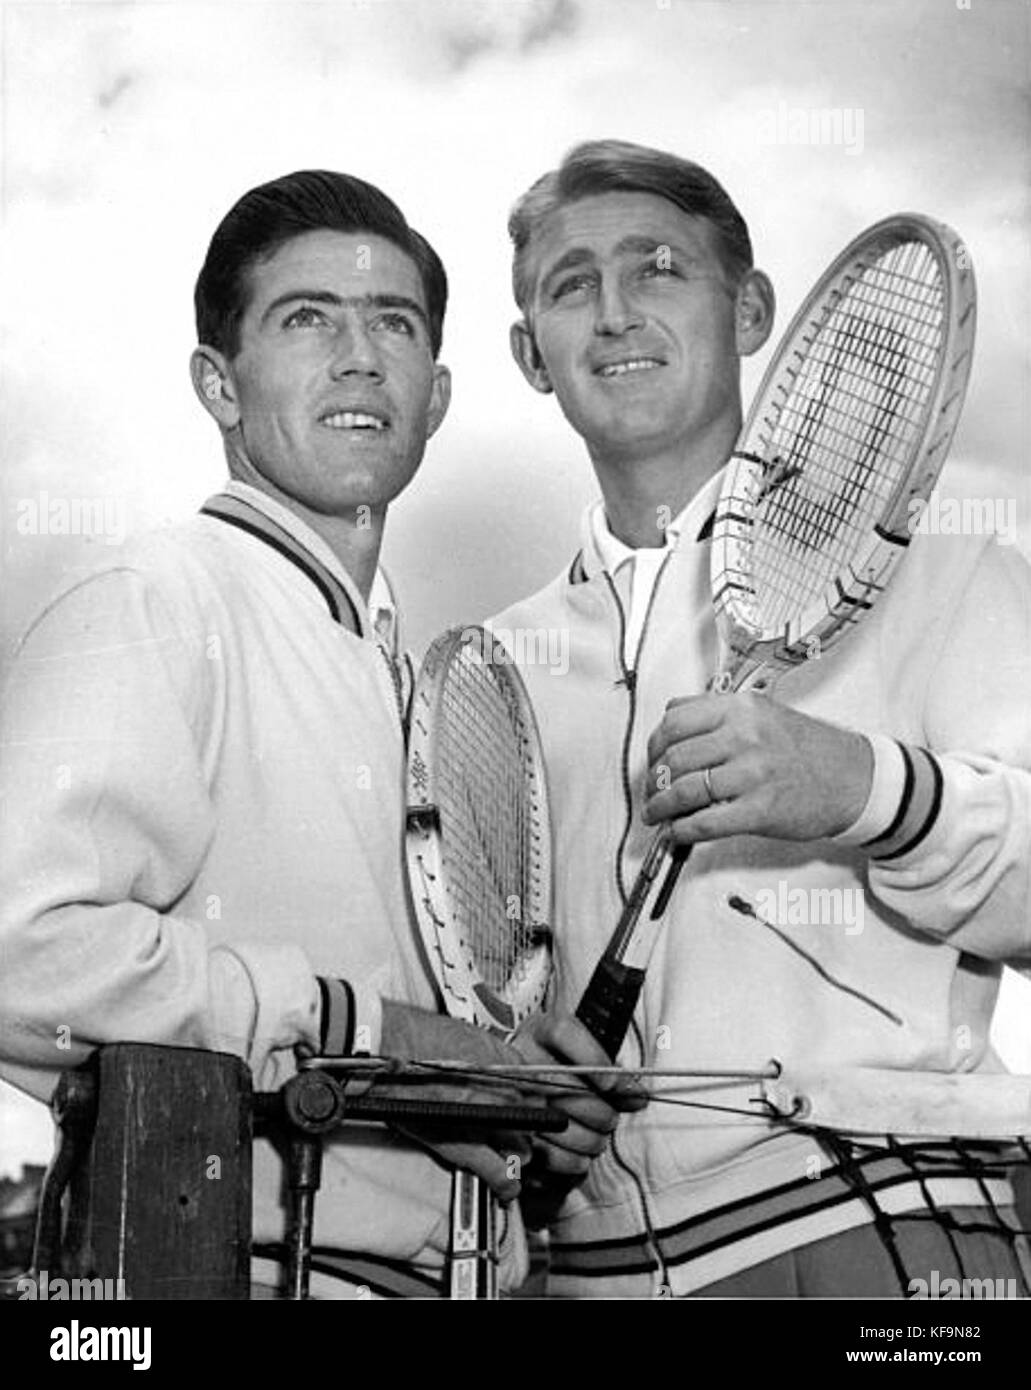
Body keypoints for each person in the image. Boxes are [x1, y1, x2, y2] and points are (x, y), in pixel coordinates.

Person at [0, 169, 639, 1299]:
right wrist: (356, 1026)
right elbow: (19, 953)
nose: (358, 358)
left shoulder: (404, 679)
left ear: (435, 396)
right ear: (219, 384)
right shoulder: (156, 596)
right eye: (306, 319)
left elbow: (418, 1067)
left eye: (393, 323)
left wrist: (509, 1102)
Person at [490, 139, 1031, 1297]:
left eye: (658, 269)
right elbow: (492, 986)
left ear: (749, 311)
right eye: (571, 285)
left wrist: (866, 790)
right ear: (530, 353)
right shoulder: (498, 669)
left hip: (881, 1229)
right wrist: (516, 1081)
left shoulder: (934, 565)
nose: (615, 312)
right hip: (588, 1276)